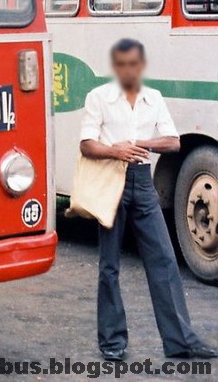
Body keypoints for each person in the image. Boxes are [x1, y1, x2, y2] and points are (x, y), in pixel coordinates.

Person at [79, 38, 216, 362]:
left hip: (142, 183)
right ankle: (112, 342)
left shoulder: (152, 98)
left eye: (134, 64)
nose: (129, 70)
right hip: (111, 182)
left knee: (165, 262)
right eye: (123, 64)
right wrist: (116, 150)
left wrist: (139, 143)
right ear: (116, 67)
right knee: (109, 265)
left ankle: (181, 341)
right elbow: (86, 144)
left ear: (141, 67)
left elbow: (173, 142)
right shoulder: (99, 97)